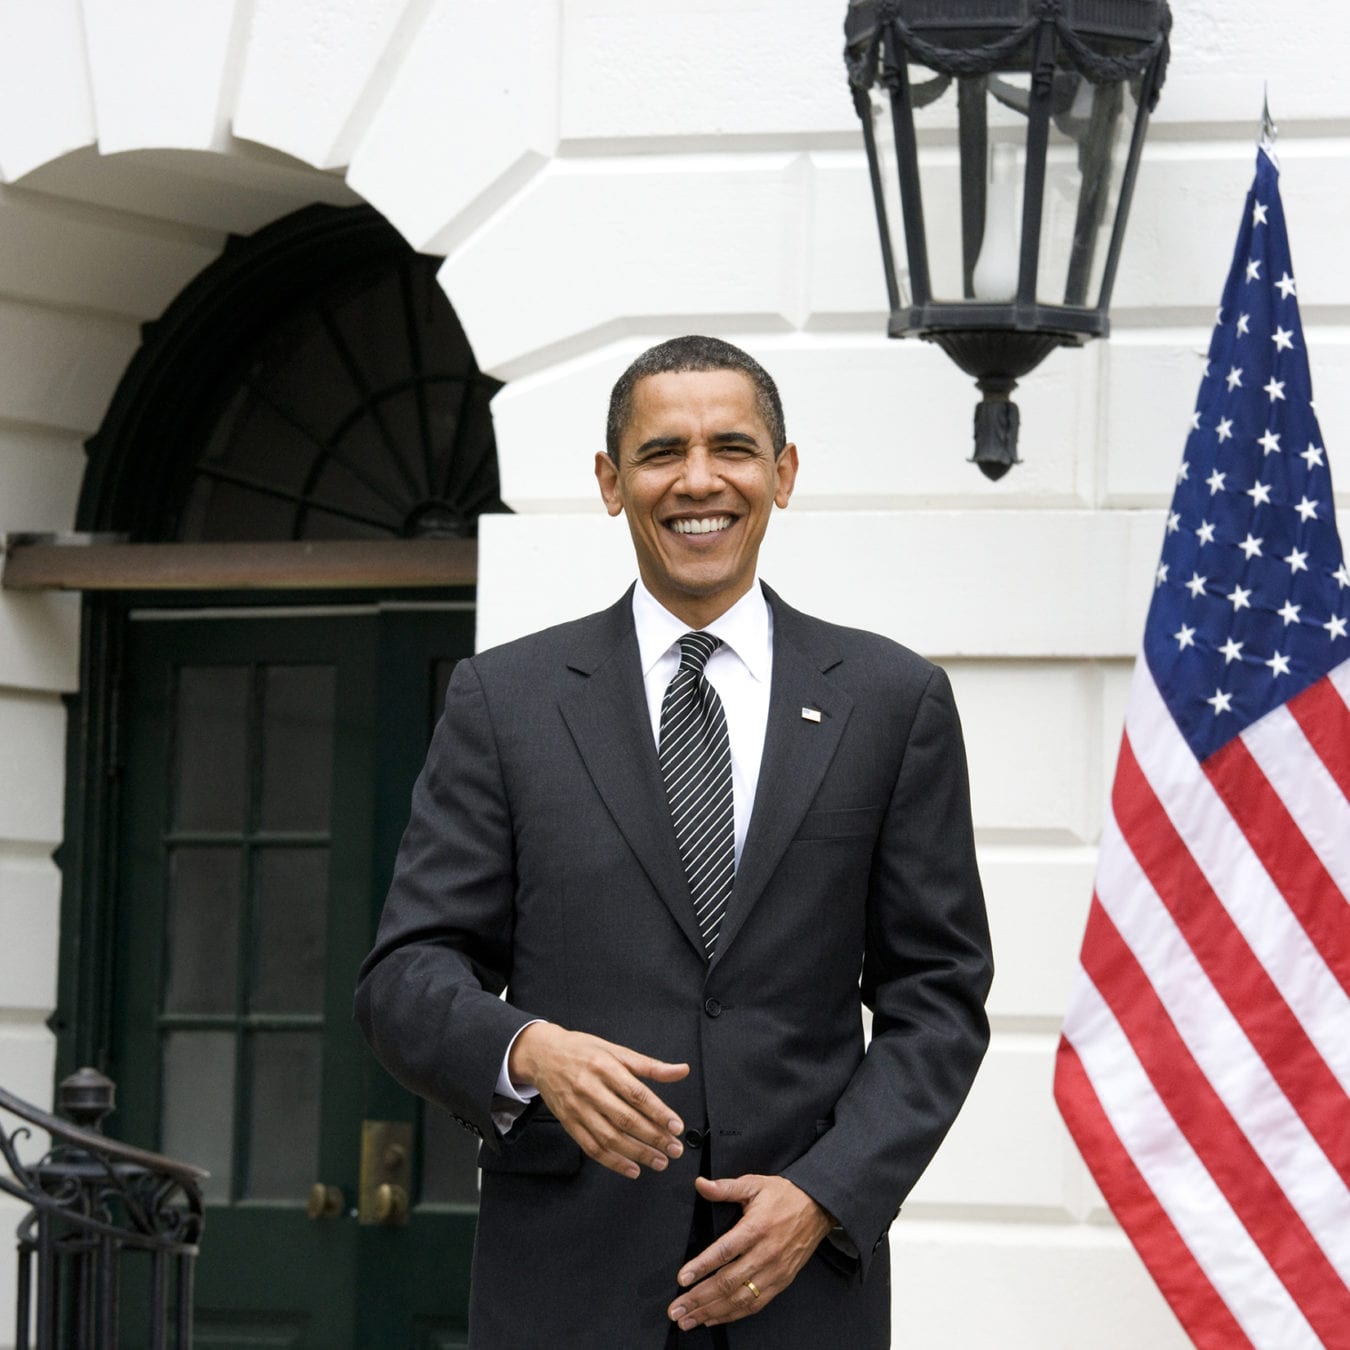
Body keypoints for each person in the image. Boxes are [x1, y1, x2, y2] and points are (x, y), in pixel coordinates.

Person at [355, 335, 993, 1348]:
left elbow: (939, 1000)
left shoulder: (891, 702)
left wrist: (826, 1195)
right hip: (565, 1286)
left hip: (801, 1288)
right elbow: (405, 977)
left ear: (782, 475)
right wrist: (528, 1050)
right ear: (612, 483)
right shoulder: (504, 704)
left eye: (733, 448)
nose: (700, 480)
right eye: (662, 453)